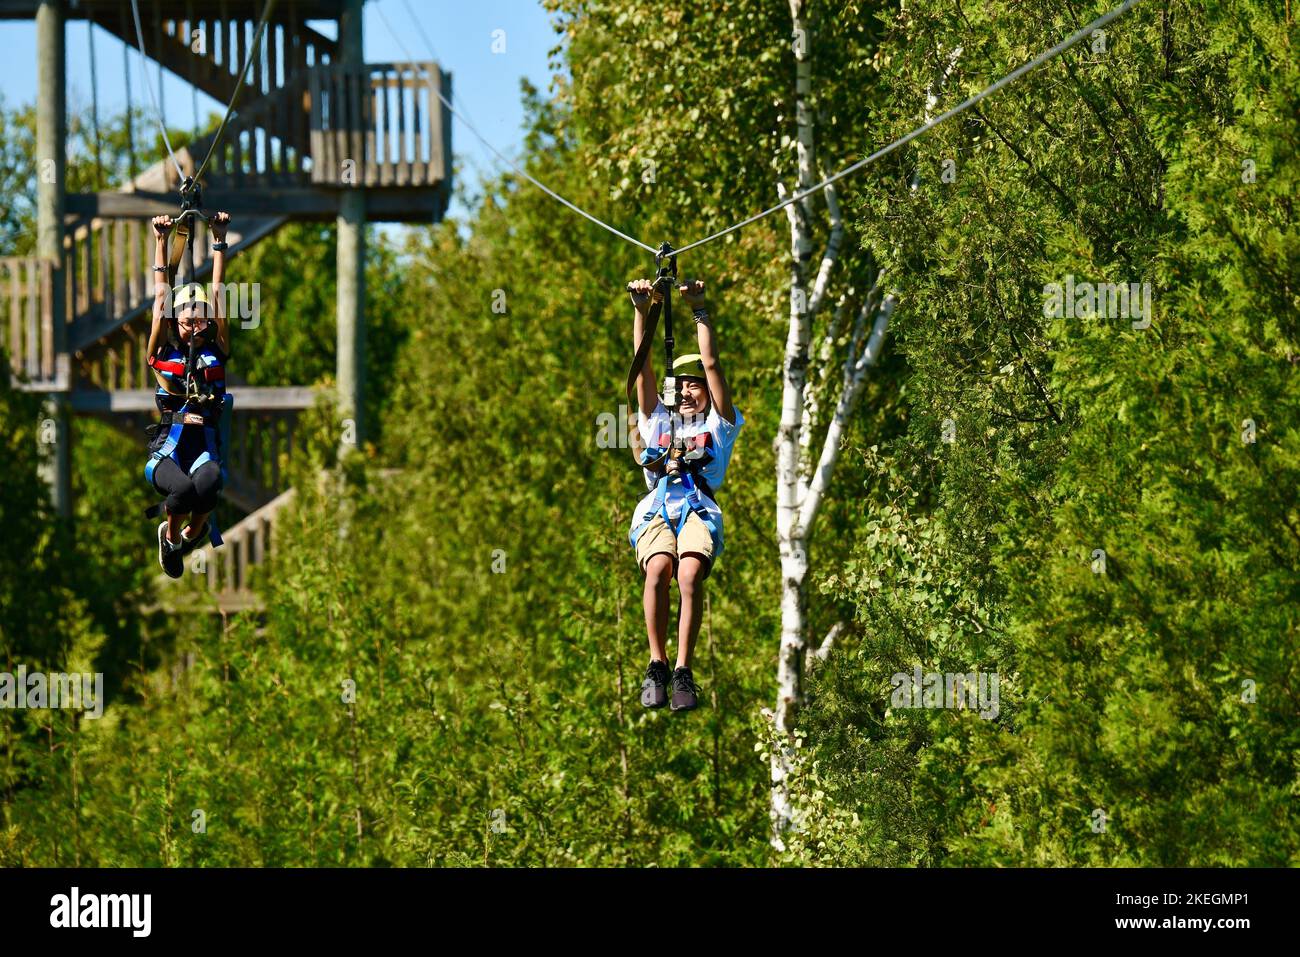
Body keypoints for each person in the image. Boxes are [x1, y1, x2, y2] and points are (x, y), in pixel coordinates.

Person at [626, 277, 745, 712]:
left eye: (698, 386)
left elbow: (712, 366)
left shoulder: (720, 426)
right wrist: (643, 311)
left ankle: (682, 670)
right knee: (658, 569)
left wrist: (699, 310)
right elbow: (643, 369)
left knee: (689, 575)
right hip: (658, 507)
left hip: (698, 509)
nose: (691, 391)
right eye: (684, 385)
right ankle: (656, 663)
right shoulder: (657, 418)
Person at [144, 211, 232, 579]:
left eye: (200, 319)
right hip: (170, 447)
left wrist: (219, 240)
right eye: (186, 320)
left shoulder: (219, 349)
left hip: (204, 446)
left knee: (210, 483)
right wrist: (161, 242)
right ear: (174, 322)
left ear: (209, 322)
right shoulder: (163, 352)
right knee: (181, 491)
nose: (194, 325)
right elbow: (161, 296)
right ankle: (171, 538)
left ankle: (188, 536)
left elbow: (218, 292)